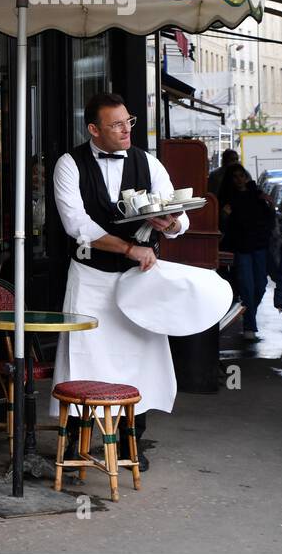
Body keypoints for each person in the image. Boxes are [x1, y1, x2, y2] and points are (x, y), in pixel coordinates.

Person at [52, 93, 188, 471]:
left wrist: (172, 223)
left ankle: (132, 442)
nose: (125, 130)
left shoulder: (148, 162)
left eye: (128, 122)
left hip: (138, 280)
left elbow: (177, 212)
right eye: (115, 125)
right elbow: (77, 225)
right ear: (94, 129)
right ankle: (78, 443)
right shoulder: (70, 164)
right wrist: (131, 248)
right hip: (91, 277)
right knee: (85, 358)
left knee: (138, 357)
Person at [219, 164, 274, 338]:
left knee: (261, 286)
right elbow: (223, 226)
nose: (239, 179)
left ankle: (248, 314)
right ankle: (250, 325)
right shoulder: (228, 198)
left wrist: (269, 205)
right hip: (241, 247)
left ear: (246, 176)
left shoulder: (256, 194)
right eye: (235, 176)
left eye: (241, 175)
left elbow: (268, 217)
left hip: (259, 245)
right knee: (247, 287)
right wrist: (224, 215)